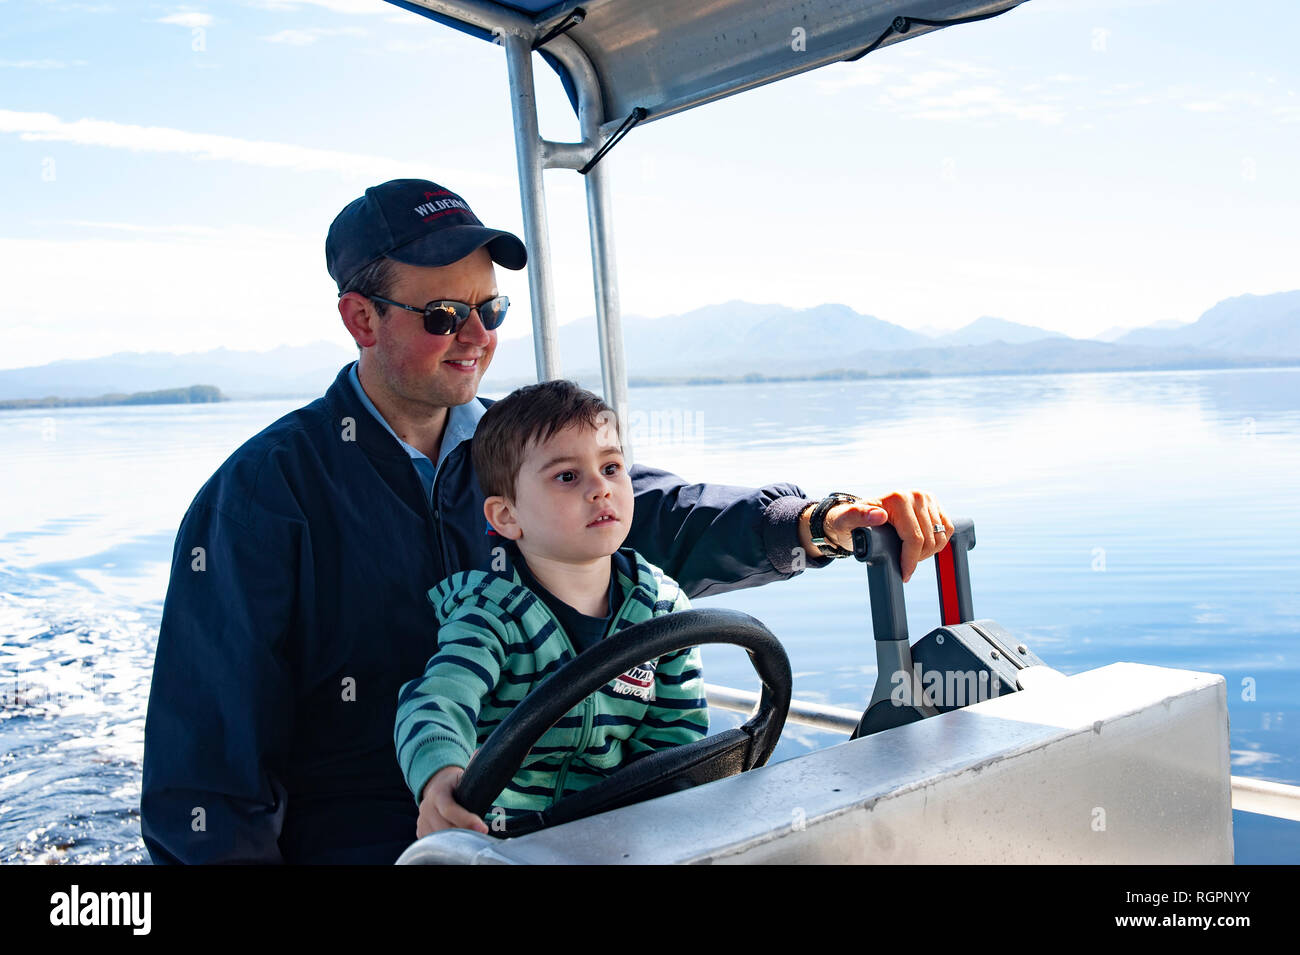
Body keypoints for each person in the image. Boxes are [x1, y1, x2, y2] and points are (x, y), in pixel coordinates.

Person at [140, 177, 954, 865]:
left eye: (490, 310)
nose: (476, 338)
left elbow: (663, 513)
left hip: (565, 829)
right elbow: (207, 780)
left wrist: (813, 522)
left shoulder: (524, 450)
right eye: (443, 316)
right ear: (361, 319)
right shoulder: (261, 496)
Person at [396, 379, 706, 838]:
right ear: (507, 517)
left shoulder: (663, 610)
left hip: (619, 834)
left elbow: (675, 739)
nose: (600, 489)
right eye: (567, 476)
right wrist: (440, 777)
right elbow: (438, 701)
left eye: (612, 467)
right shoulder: (489, 615)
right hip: (502, 839)